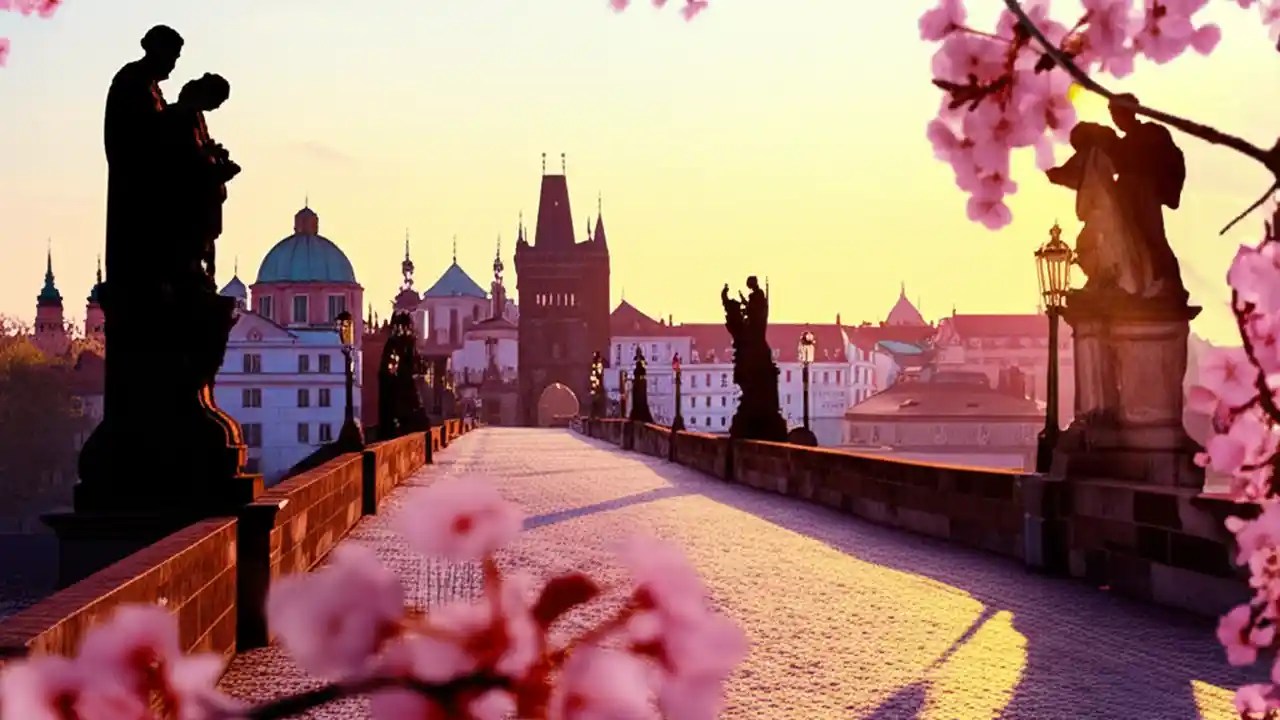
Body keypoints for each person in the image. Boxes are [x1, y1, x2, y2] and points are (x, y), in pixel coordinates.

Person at [103, 25, 184, 289]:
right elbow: (141, 134)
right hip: (136, 185)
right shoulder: (131, 81)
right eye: (172, 57)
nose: (173, 66)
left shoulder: (149, 86)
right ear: (156, 51)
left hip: (148, 185)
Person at [1107, 93, 1187, 299]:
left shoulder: (1152, 133)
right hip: (1129, 193)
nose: (1114, 120)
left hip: (1144, 191)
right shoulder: (1126, 141)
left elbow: (1173, 160)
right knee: (1132, 239)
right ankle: (1142, 283)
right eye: (1112, 115)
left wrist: (1161, 187)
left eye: (1116, 114)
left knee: (1153, 237)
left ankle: (1168, 282)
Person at [165, 73, 240, 288]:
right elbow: (185, 160)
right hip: (190, 199)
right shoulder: (180, 117)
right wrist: (215, 166)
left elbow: (198, 150)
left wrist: (215, 154)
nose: (215, 108)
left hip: (201, 196)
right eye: (216, 102)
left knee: (202, 243)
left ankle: (197, 270)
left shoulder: (193, 116)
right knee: (193, 243)